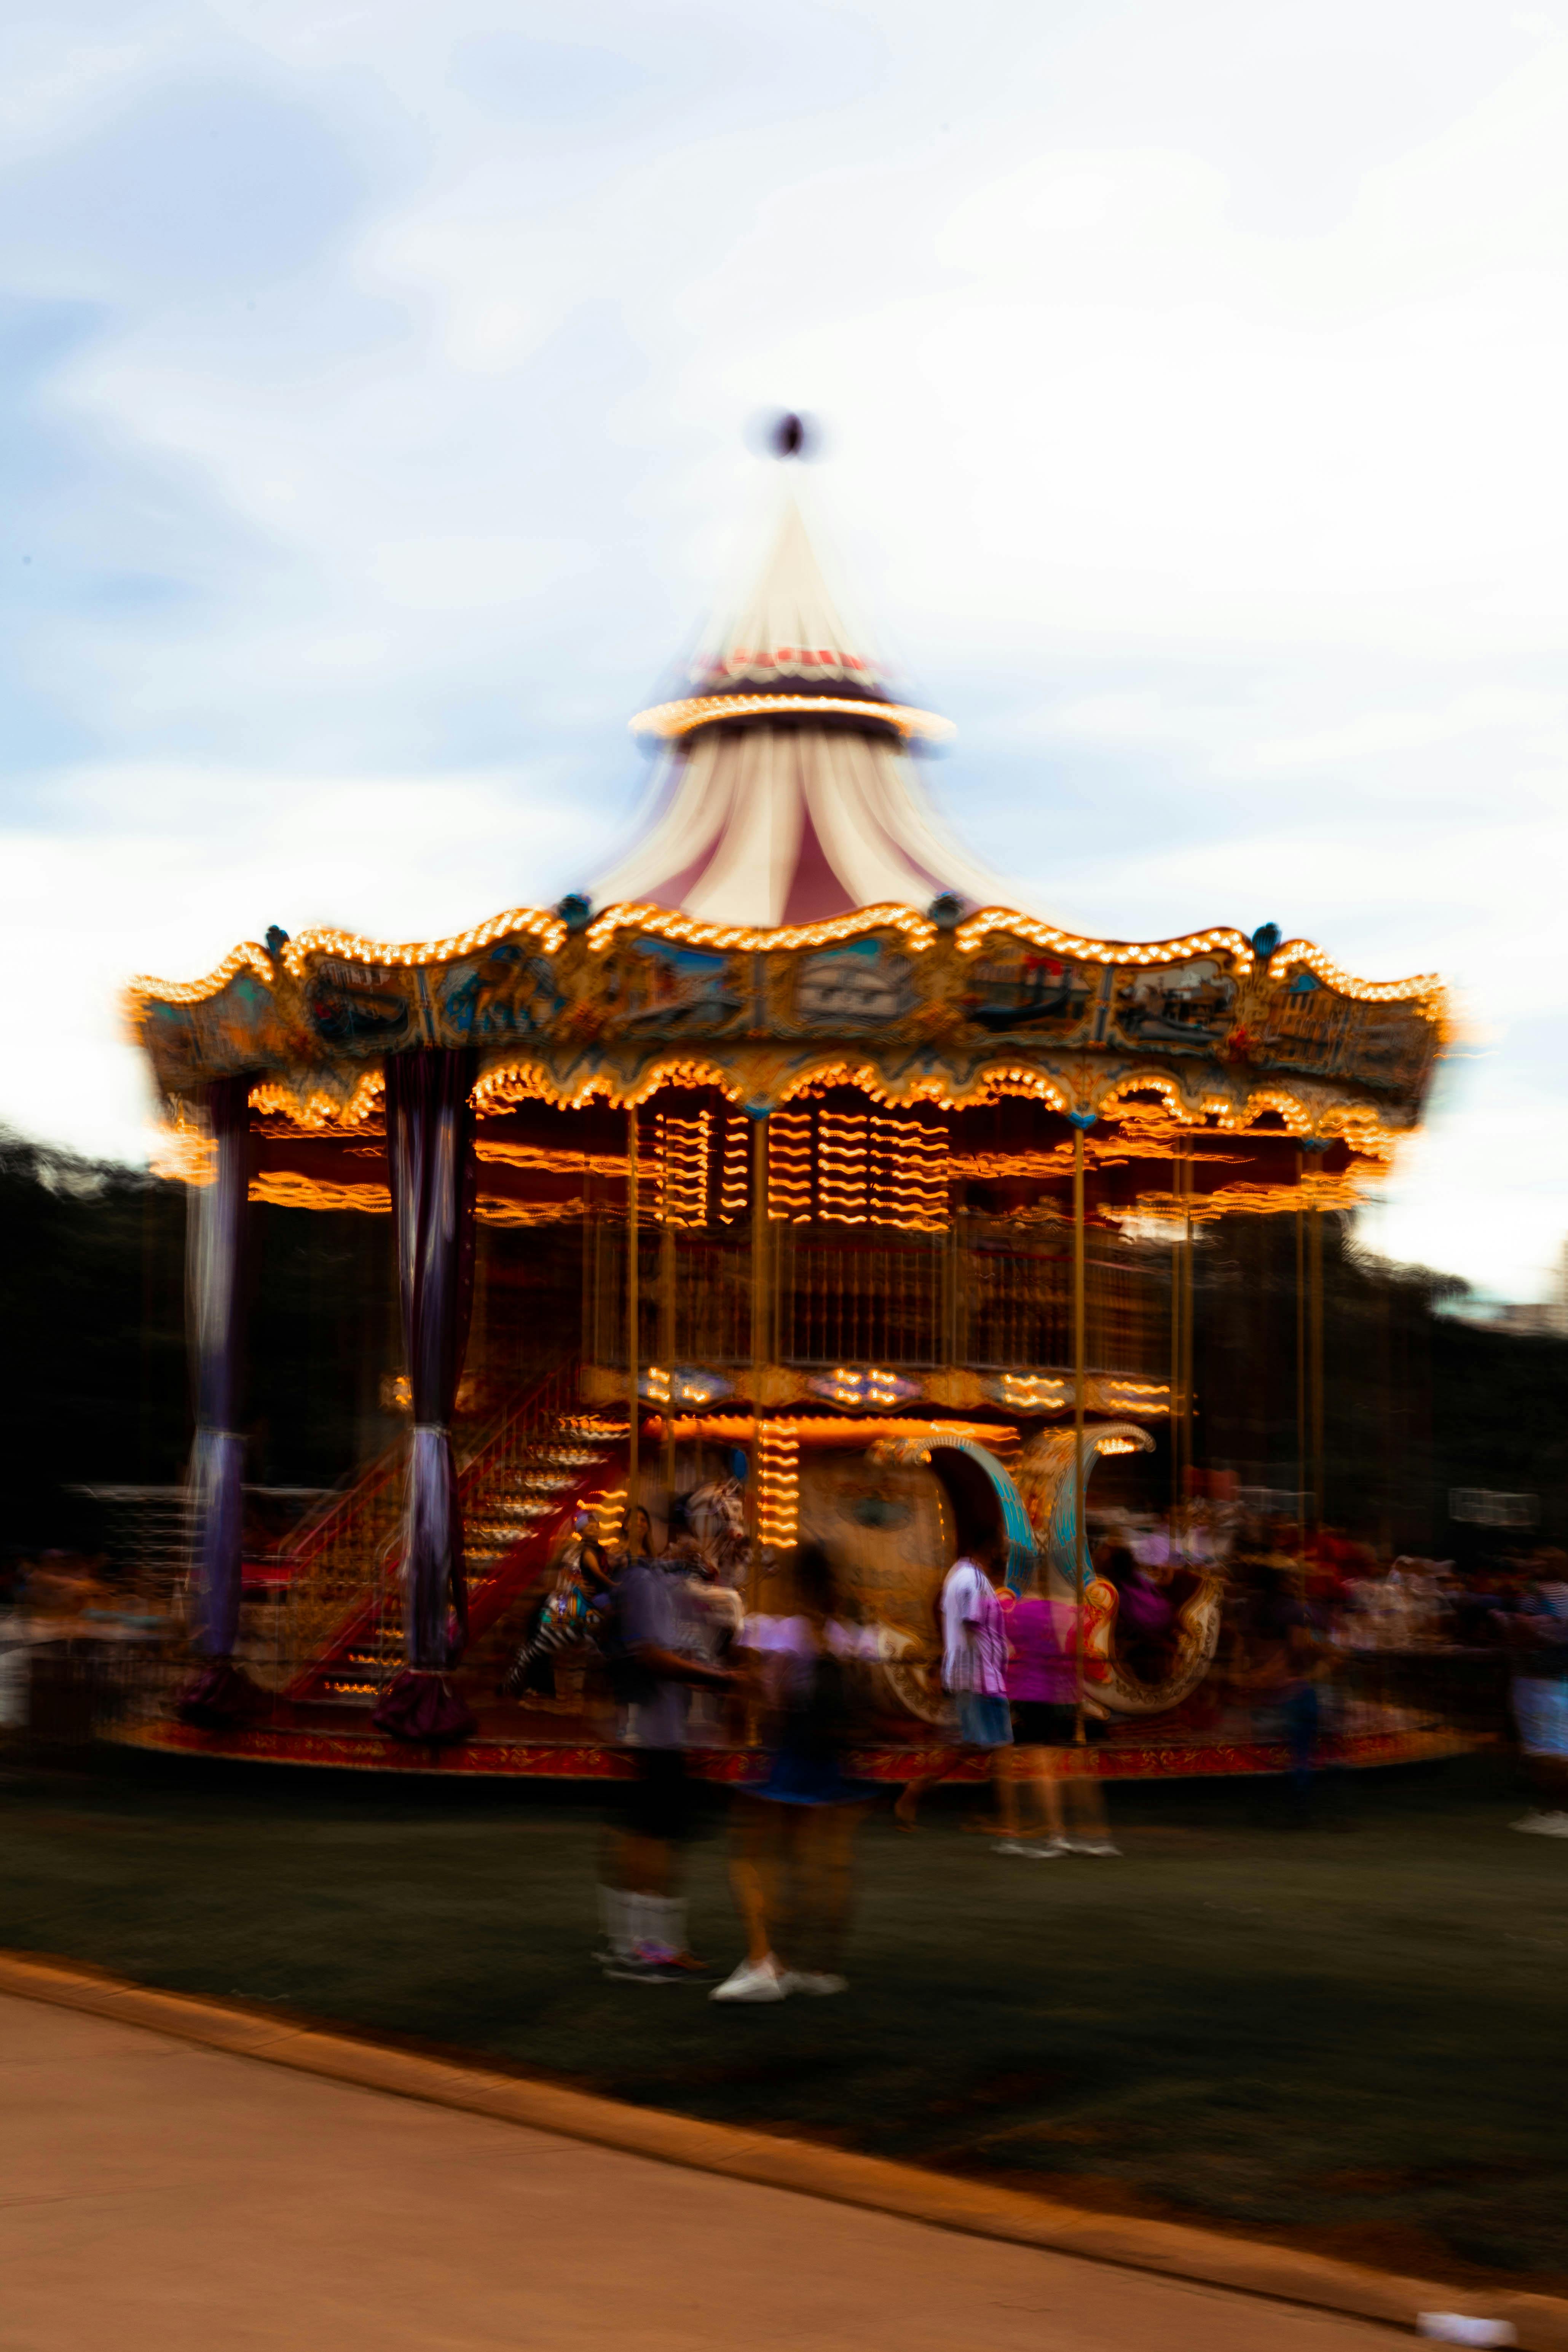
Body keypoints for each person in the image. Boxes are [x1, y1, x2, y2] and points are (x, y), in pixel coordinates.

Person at [711, 1543, 879, 2003]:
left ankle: (764, 1961)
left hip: (793, 1752)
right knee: (823, 1862)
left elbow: (773, 1696)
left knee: (749, 1854)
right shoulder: (846, 1634)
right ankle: (818, 1966)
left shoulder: (786, 1632)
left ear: (796, 1583)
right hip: (835, 1759)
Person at [598, 1530, 739, 1982]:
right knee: (657, 1836)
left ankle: (631, 1944)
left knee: (646, 1832)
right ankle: (653, 1949)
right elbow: (654, 1657)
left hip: (655, 1728)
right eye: (684, 1546)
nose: (692, 1553)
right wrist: (720, 1679)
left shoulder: (658, 1585)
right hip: (656, 1731)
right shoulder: (647, 1582)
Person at [893, 1529, 1012, 1832]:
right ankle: (1004, 1819)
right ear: (988, 1550)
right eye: (999, 1550)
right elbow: (972, 1625)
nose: (1003, 1556)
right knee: (994, 1745)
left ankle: (920, 1791)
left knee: (979, 1744)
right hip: (979, 1676)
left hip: (975, 1675)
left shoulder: (961, 1575)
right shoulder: (971, 1580)